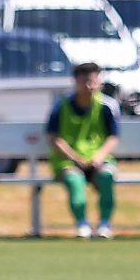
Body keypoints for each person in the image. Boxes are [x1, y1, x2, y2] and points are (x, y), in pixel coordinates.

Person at [47, 62, 120, 239]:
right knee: (74, 180)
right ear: (76, 82)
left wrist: (99, 155)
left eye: (93, 81)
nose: (89, 86)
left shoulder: (106, 105)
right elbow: (53, 138)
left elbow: (113, 137)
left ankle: (104, 224)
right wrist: (74, 157)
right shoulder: (61, 105)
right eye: (85, 81)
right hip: (67, 160)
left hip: (98, 159)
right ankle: (82, 224)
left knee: (106, 176)